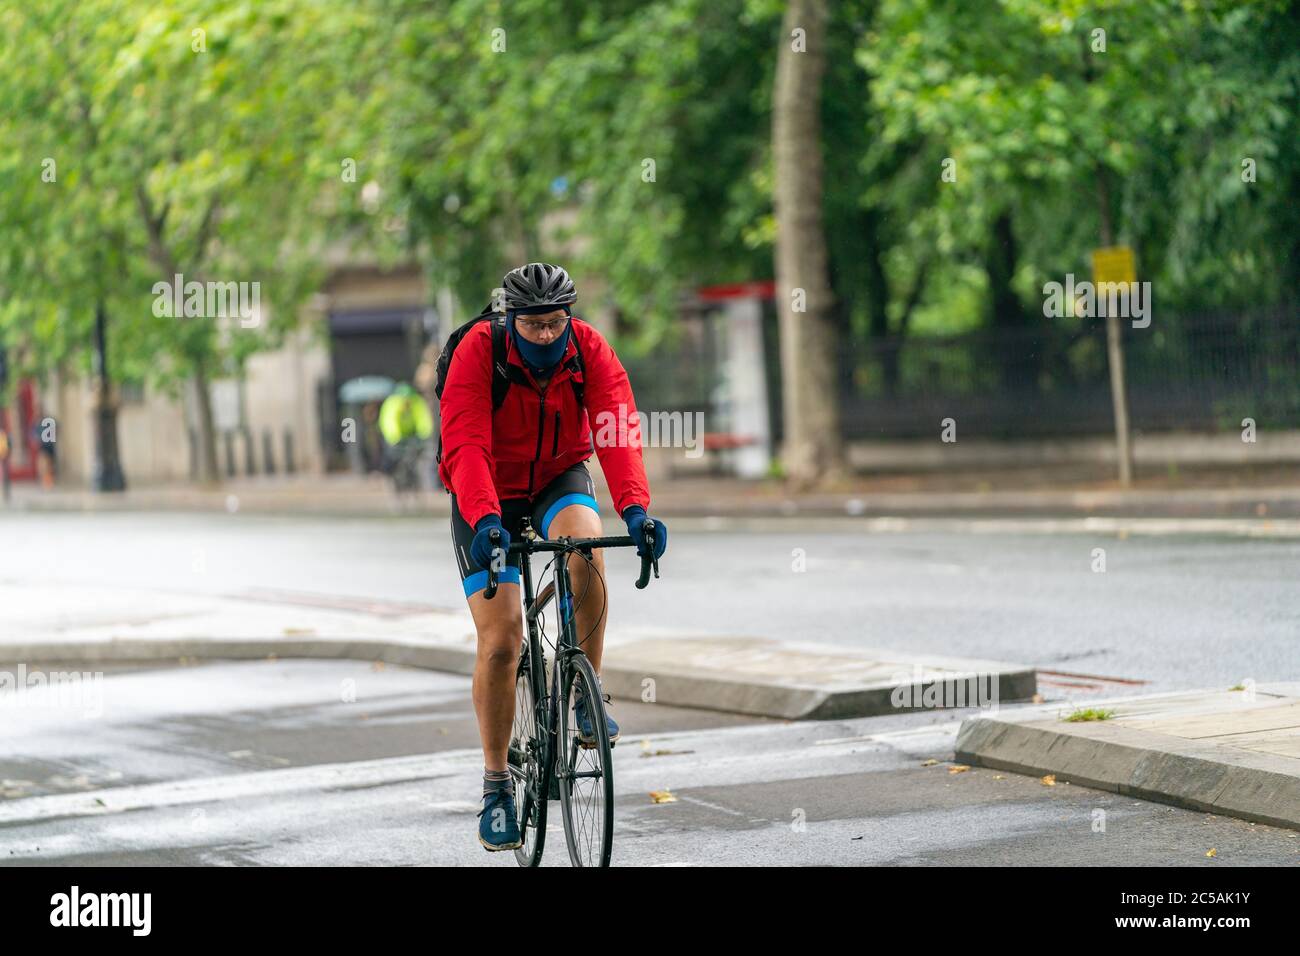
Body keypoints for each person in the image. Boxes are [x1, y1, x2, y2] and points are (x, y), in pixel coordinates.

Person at [438, 262, 668, 851]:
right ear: (511, 320)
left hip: (558, 474)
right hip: (484, 486)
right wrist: (487, 520)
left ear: (570, 317)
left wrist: (637, 511)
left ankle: (585, 701)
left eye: (555, 323)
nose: (546, 335)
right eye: (534, 325)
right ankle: (495, 786)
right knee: (502, 639)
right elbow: (464, 442)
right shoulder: (477, 354)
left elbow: (617, 431)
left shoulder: (589, 350)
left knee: (587, 551)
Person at [378, 383, 433, 489]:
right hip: (394, 436)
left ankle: (414, 479)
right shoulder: (392, 404)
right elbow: (390, 422)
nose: (407, 402)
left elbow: (423, 419)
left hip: (410, 433)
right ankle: (388, 474)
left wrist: (424, 435)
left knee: (417, 453)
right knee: (392, 455)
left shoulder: (416, 402)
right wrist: (395, 438)